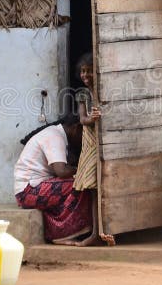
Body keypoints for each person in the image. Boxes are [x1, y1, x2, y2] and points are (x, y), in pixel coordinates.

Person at [14, 114, 92, 244]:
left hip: (31, 189)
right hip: (28, 191)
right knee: (83, 183)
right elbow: (61, 171)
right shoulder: (54, 137)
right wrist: (84, 169)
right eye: (84, 135)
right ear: (77, 128)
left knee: (76, 183)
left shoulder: (56, 135)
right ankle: (65, 233)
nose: (84, 140)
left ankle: (59, 231)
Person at [72, 53, 102, 246]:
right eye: (83, 71)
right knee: (93, 189)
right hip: (91, 142)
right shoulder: (82, 94)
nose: (85, 75)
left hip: (106, 142)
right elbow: (83, 119)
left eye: (89, 70)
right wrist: (93, 119)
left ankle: (103, 231)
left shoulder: (104, 90)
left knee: (104, 187)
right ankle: (95, 233)